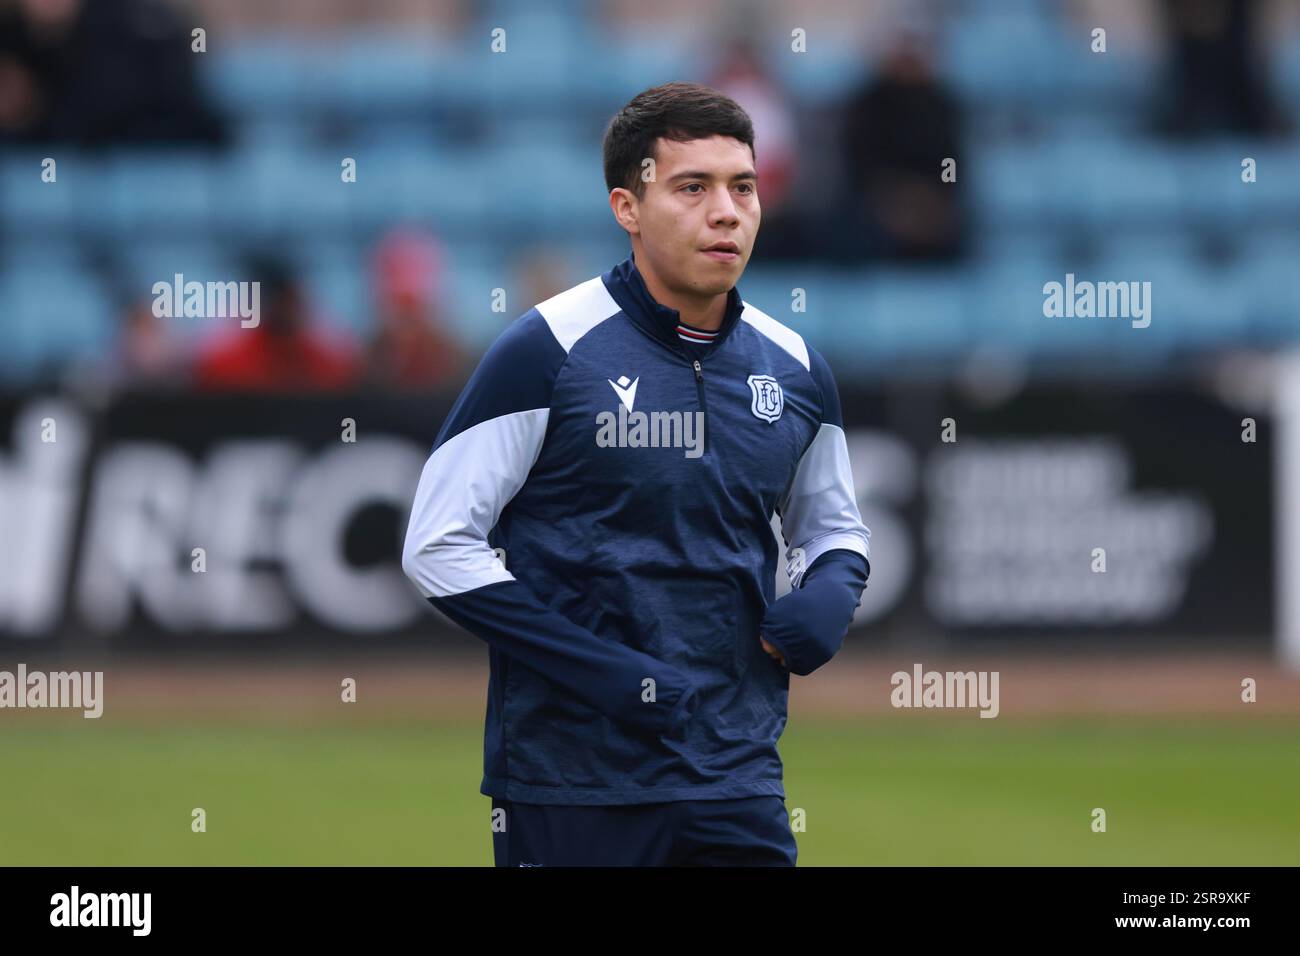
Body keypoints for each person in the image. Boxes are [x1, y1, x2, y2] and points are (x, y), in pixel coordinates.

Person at [402, 82, 872, 867]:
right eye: (693, 188)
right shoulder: (546, 349)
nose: (726, 212)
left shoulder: (795, 368)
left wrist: (832, 588)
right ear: (628, 206)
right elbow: (437, 544)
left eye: (743, 187)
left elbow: (835, 525)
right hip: (571, 781)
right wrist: (605, 671)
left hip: (737, 775)